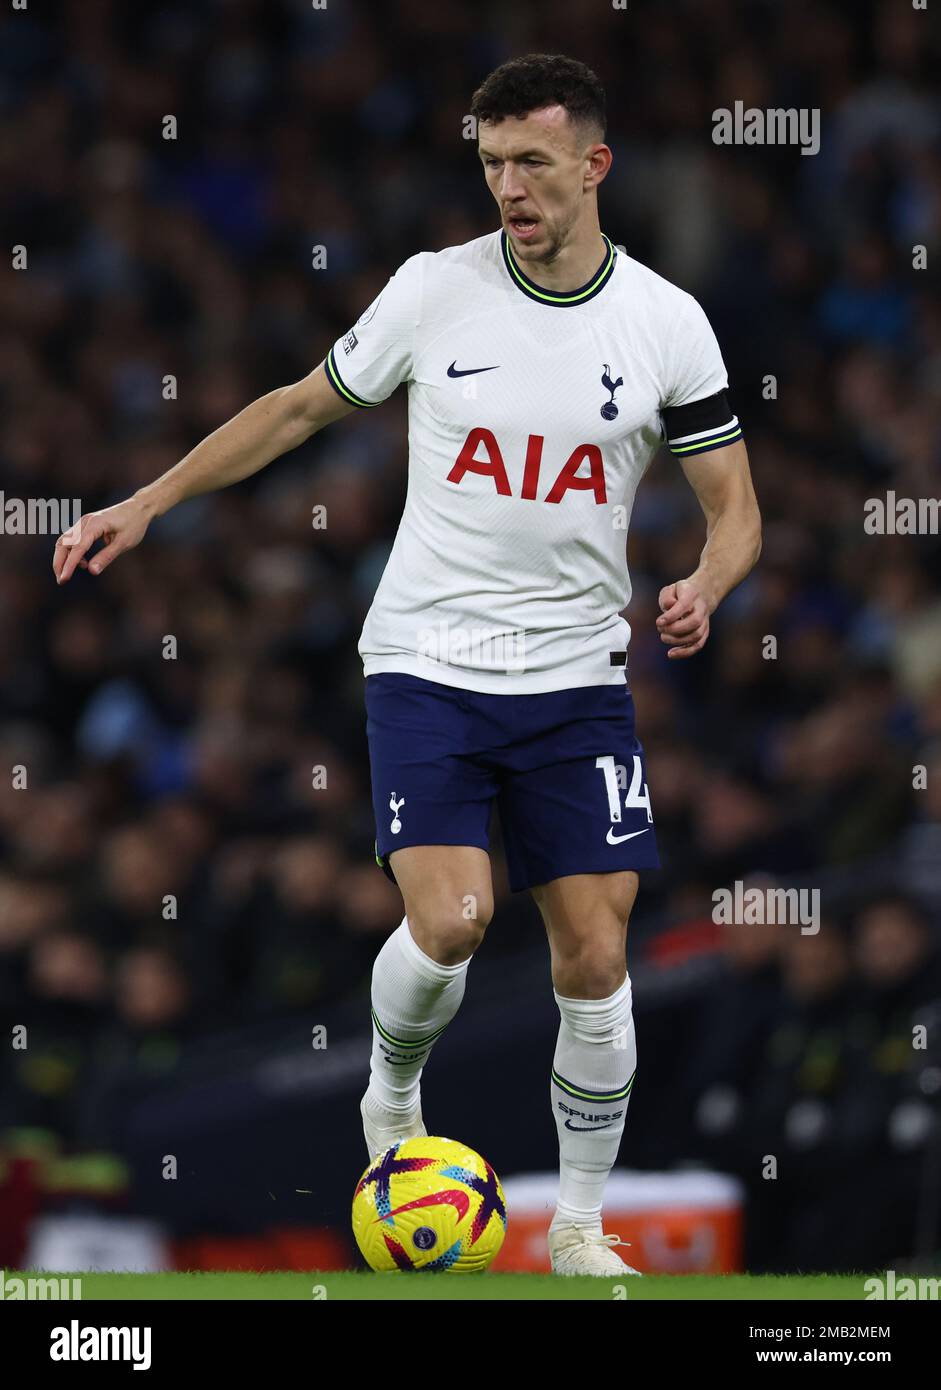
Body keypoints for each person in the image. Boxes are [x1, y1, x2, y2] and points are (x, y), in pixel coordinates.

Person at [53, 53, 761, 1274]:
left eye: (531, 163)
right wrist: (152, 498)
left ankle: (582, 1224)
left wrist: (704, 579)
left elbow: (734, 505)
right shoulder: (433, 291)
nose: (507, 189)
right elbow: (292, 408)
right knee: (452, 919)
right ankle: (390, 1097)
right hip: (430, 657)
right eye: (489, 165)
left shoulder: (664, 323)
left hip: (576, 679)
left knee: (593, 954)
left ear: (593, 166)